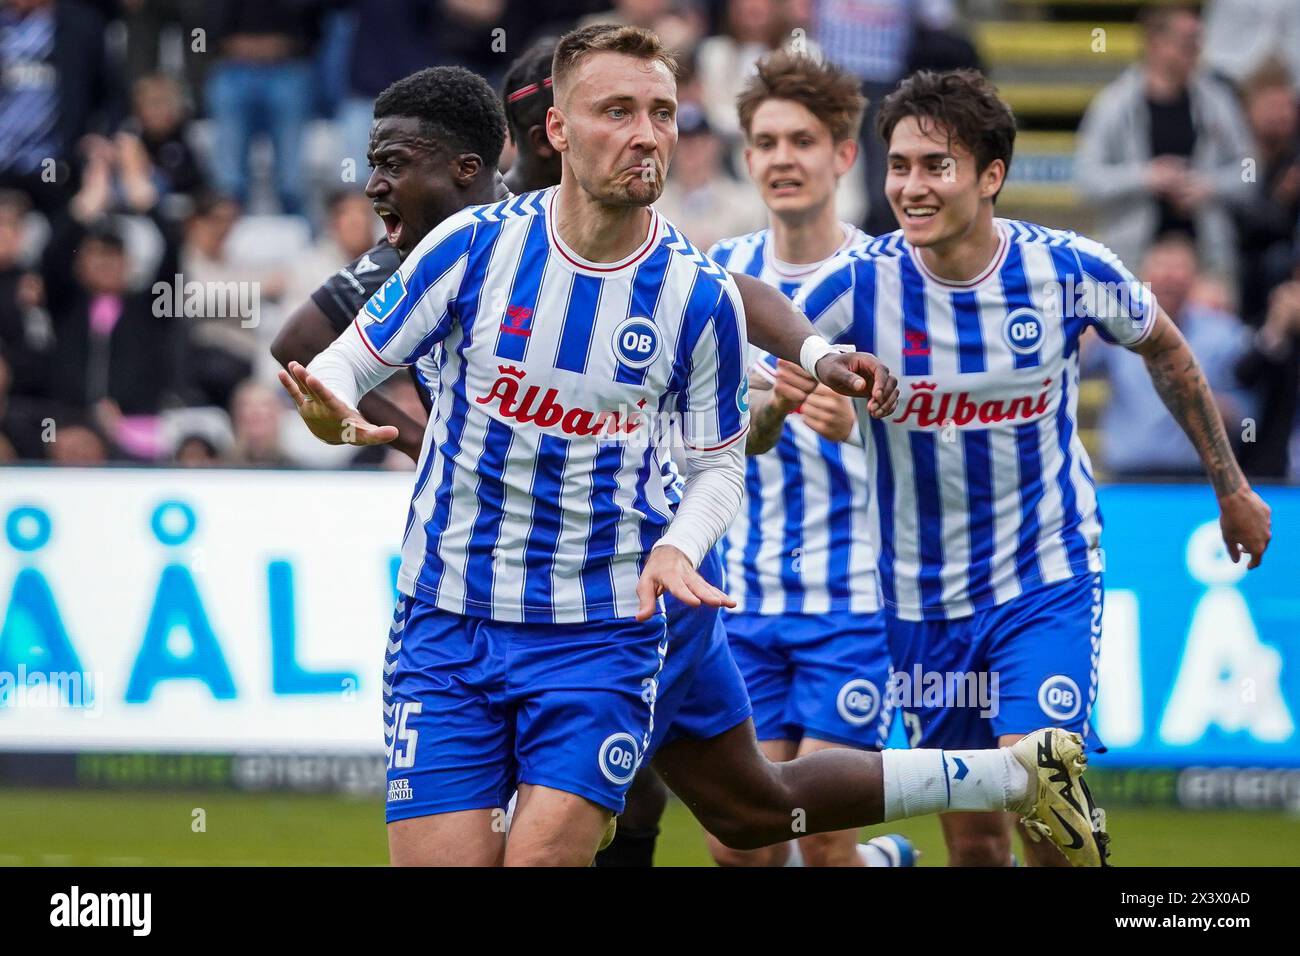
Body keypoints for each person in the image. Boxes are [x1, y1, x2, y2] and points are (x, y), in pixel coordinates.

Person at [281, 25, 1107, 868]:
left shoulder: (696, 292)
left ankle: (1003, 782)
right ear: (558, 130)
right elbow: (338, 357)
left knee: (613, 847)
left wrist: (682, 542)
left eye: (663, 114)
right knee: (753, 816)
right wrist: (330, 411)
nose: (647, 133)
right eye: (618, 111)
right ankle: (1002, 778)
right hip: (448, 618)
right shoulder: (470, 248)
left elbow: (718, 460)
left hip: (609, 617)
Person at [797, 68, 1272, 866]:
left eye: (935, 165)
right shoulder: (856, 282)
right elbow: (760, 359)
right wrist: (807, 388)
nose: (911, 186)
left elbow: (1165, 349)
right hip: (920, 598)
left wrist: (1231, 487)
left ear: (991, 176)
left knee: (1044, 786)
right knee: (978, 845)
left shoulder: (1067, 269)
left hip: (1042, 574)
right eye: (900, 165)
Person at [701, 50, 898, 867]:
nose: (784, 158)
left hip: (852, 598)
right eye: (767, 142)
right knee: (739, 847)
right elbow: (703, 439)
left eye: (804, 141)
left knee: (819, 846)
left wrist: (860, 429)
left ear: (842, 155)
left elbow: (939, 438)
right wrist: (772, 414)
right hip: (741, 595)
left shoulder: (890, 276)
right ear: (747, 157)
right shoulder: (719, 279)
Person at [1074, 4, 1254, 301]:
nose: (1196, 50)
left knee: (1213, 321)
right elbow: (1087, 178)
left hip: (1205, 259)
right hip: (1133, 262)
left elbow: (1250, 170)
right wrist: (1147, 177)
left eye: (1198, 41)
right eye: (1187, 42)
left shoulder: (1218, 102)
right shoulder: (1114, 104)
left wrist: (1209, 187)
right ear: (1156, 43)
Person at [1086, 235, 1252, 480]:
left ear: (1195, 279)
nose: (1169, 278)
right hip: (1127, 478)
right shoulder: (1116, 327)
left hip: (1199, 478)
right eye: (1162, 269)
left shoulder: (1225, 333)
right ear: (1141, 275)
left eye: (1179, 270)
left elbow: (1252, 415)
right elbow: (1076, 366)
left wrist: (1227, 413)